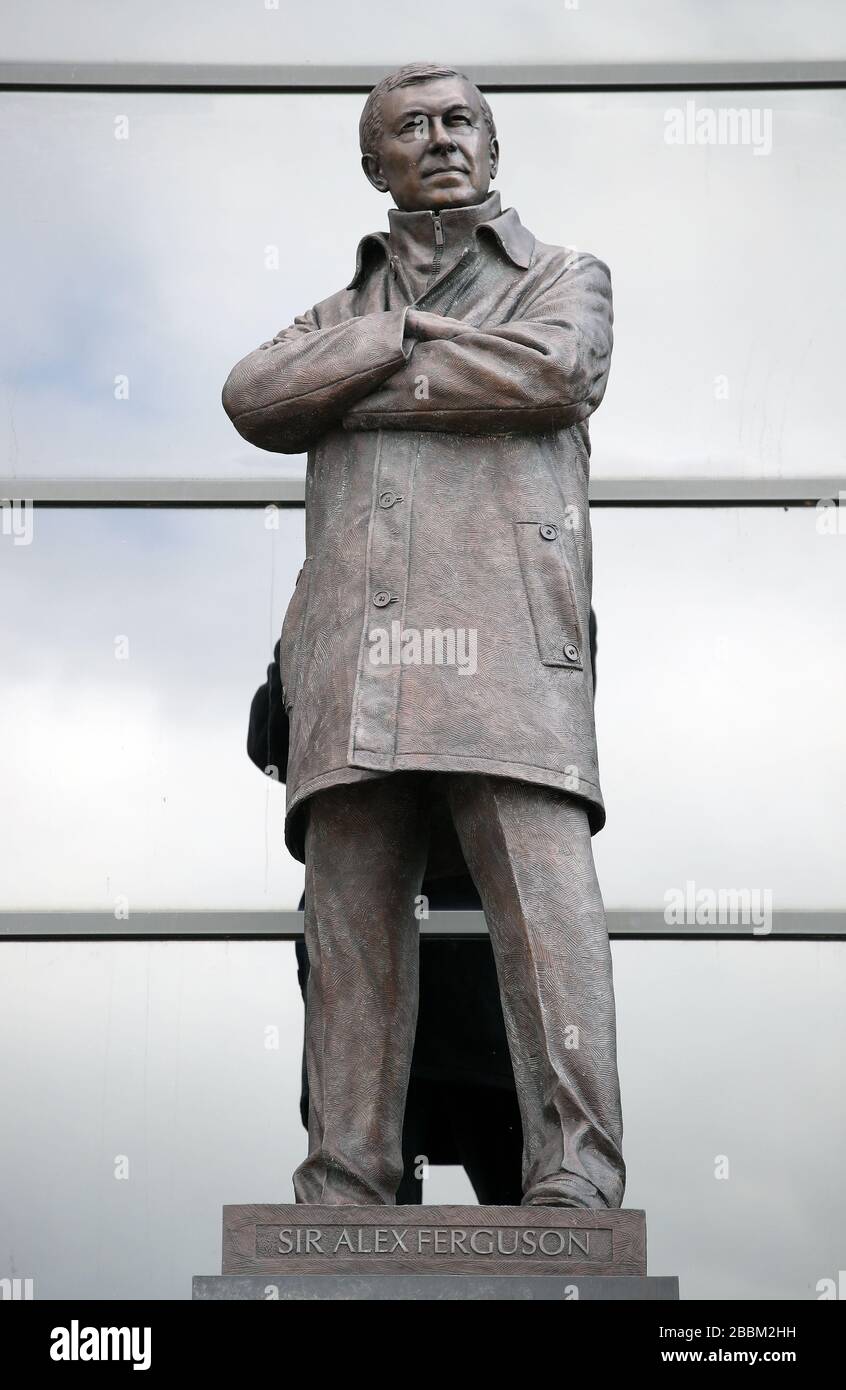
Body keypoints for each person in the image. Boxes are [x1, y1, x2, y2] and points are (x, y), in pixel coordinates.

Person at [225, 62, 624, 1210]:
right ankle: (344, 1175)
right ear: (375, 164)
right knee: (349, 929)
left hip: (510, 660)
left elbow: (557, 369)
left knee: (549, 920)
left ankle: (577, 1174)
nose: (441, 139)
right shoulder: (341, 307)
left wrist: (359, 376)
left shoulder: (563, 275)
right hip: (355, 670)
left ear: (493, 149)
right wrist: (402, 333)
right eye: (412, 127)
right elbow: (253, 395)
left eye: (462, 122)